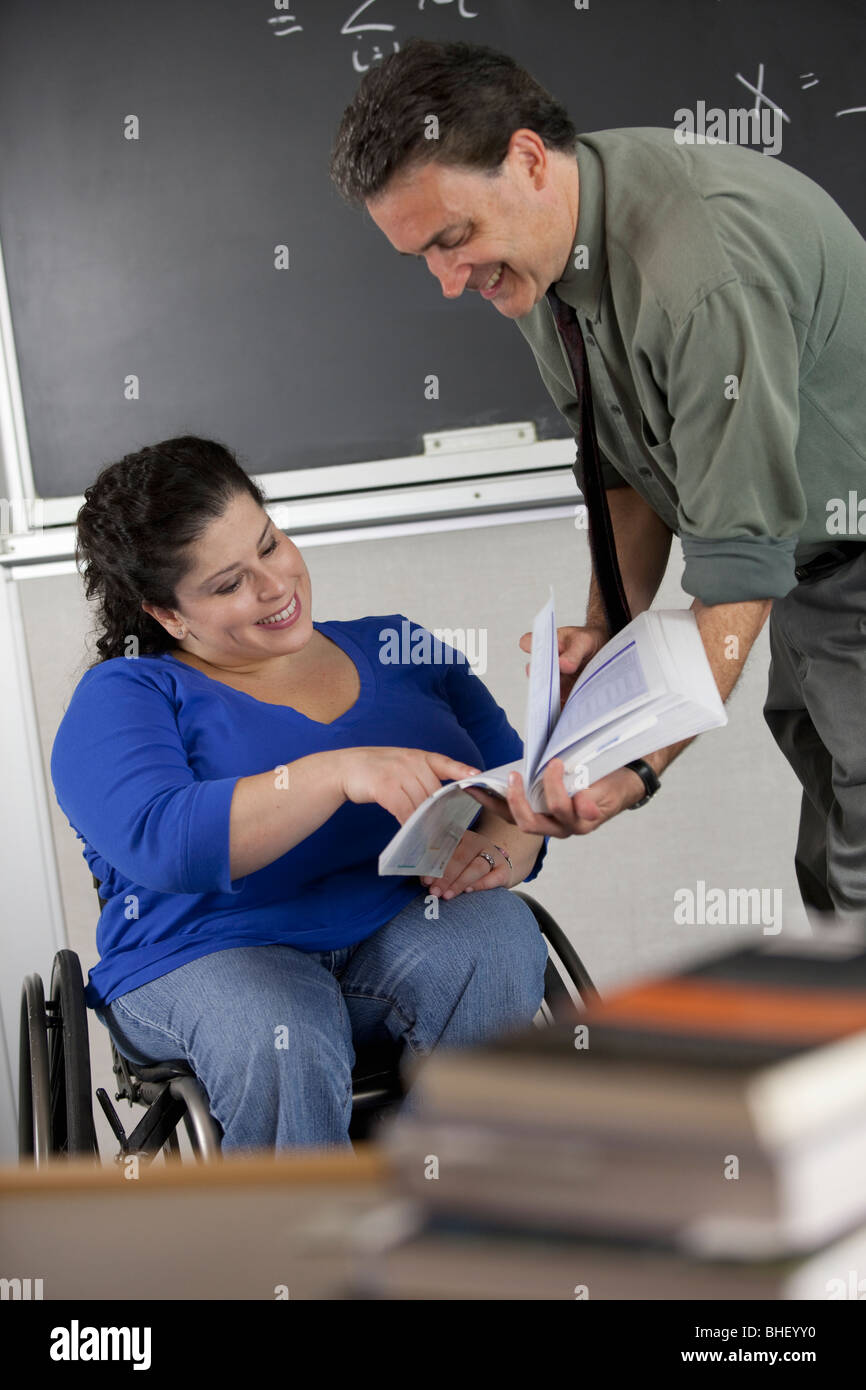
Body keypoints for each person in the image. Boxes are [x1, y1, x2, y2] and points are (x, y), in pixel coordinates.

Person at [329, 38, 866, 930]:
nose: (450, 281)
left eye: (453, 239)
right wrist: (606, 631)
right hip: (814, 569)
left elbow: (740, 564)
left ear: (529, 159)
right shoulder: (546, 254)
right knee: (834, 842)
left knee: (859, 886)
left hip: (838, 558)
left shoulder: (698, 278)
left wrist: (638, 766)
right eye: (422, 254)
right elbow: (624, 467)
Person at [50, 435, 548, 1154]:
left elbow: (515, 792)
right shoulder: (126, 695)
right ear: (167, 615)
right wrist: (336, 772)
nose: (276, 585)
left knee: (499, 936)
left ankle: (441, 1205)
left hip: (395, 929)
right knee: (280, 1025)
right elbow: (167, 842)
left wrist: (499, 852)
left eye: (270, 544)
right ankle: (310, 1252)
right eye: (228, 585)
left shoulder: (397, 648)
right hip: (206, 954)